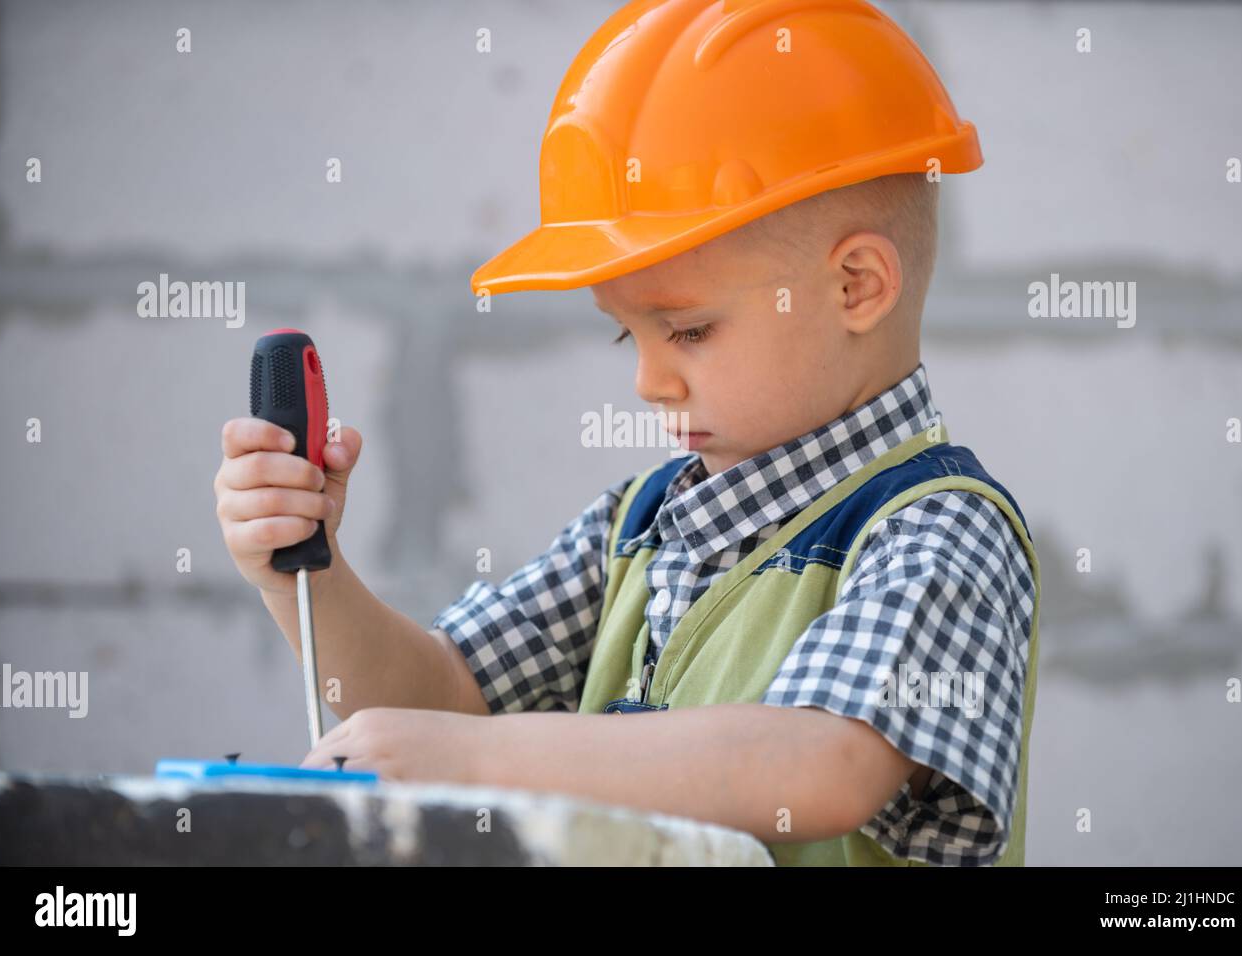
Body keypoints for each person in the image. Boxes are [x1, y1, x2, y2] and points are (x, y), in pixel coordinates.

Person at [213, 0, 1040, 866]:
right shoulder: (638, 527)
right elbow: (442, 696)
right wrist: (299, 571)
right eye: (626, 333)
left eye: (688, 332)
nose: (647, 382)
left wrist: (475, 761)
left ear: (856, 287)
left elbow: (820, 763)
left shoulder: (939, 533)